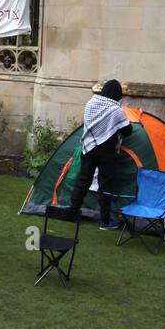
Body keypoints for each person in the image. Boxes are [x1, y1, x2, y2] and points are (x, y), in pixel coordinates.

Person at [69, 79, 131, 230]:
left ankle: (73, 212)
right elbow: (127, 130)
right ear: (116, 94)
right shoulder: (116, 110)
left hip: (88, 148)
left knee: (83, 180)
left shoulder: (90, 103)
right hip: (106, 152)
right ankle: (105, 221)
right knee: (105, 185)